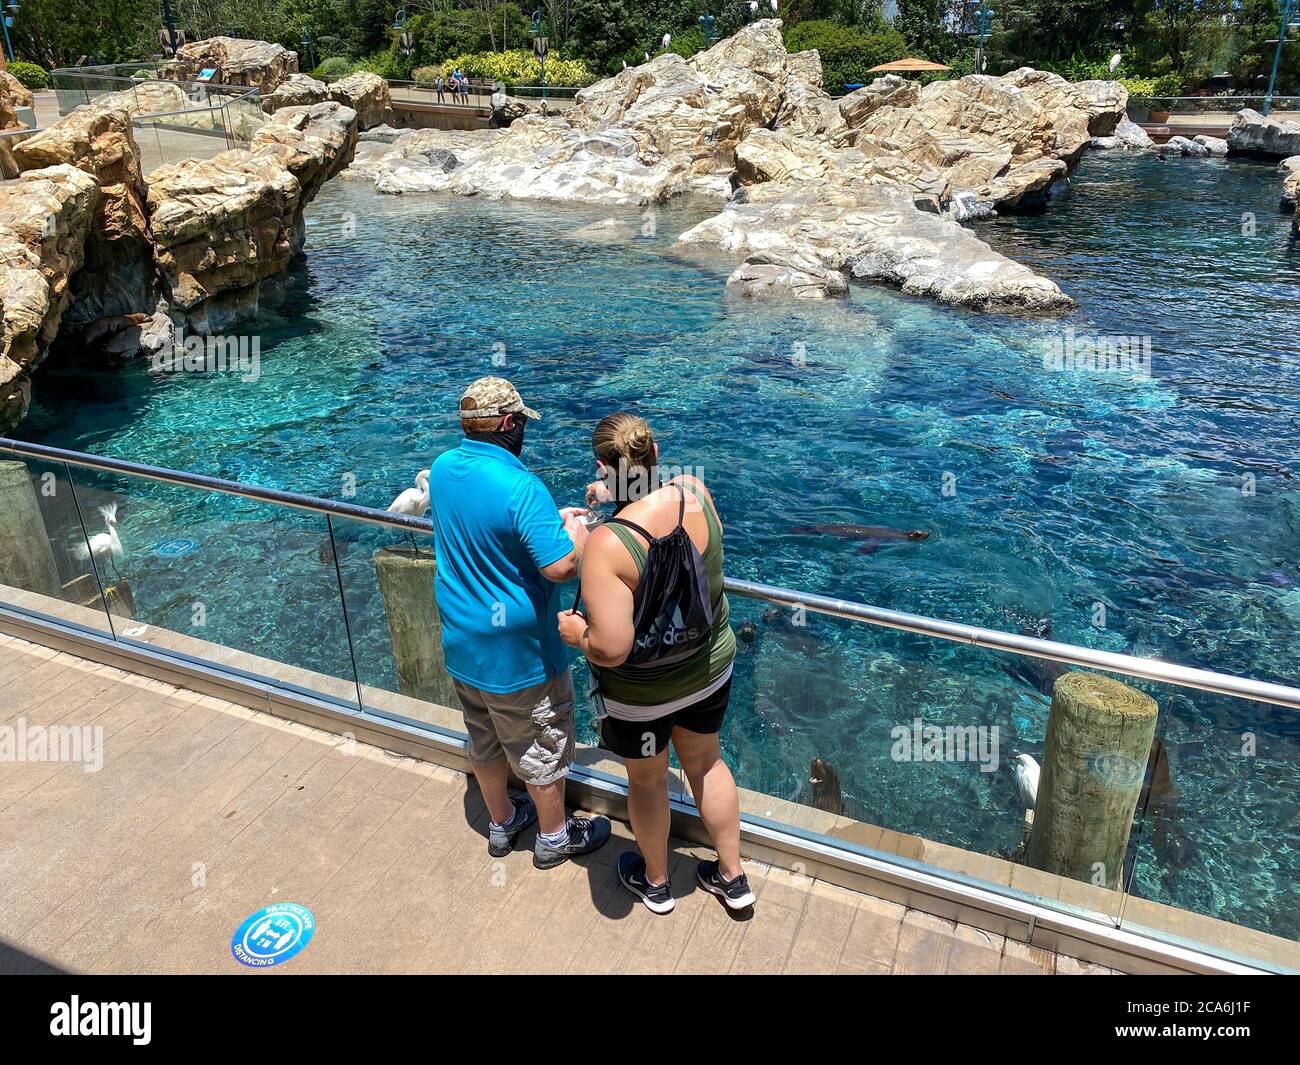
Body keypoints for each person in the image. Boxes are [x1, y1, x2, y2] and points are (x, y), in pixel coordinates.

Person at [557, 413, 753, 914]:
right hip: (709, 667)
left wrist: (578, 634)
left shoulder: (607, 544)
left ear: (602, 466)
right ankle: (733, 879)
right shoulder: (695, 491)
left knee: (646, 781)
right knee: (708, 764)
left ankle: (657, 882)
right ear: (655, 451)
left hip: (643, 693)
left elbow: (612, 647)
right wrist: (618, 498)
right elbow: (693, 548)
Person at [429, 377, 611, 869]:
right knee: (540, 742)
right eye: (521, 422)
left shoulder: (444, 468)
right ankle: (553, 839)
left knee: (482, 736)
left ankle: (503, 821)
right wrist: (574, 532)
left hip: (462, 641)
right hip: (519, 654)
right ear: (510, 423)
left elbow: (484, 528)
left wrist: (544, 522)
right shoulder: (523, 485)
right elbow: (561, 567)